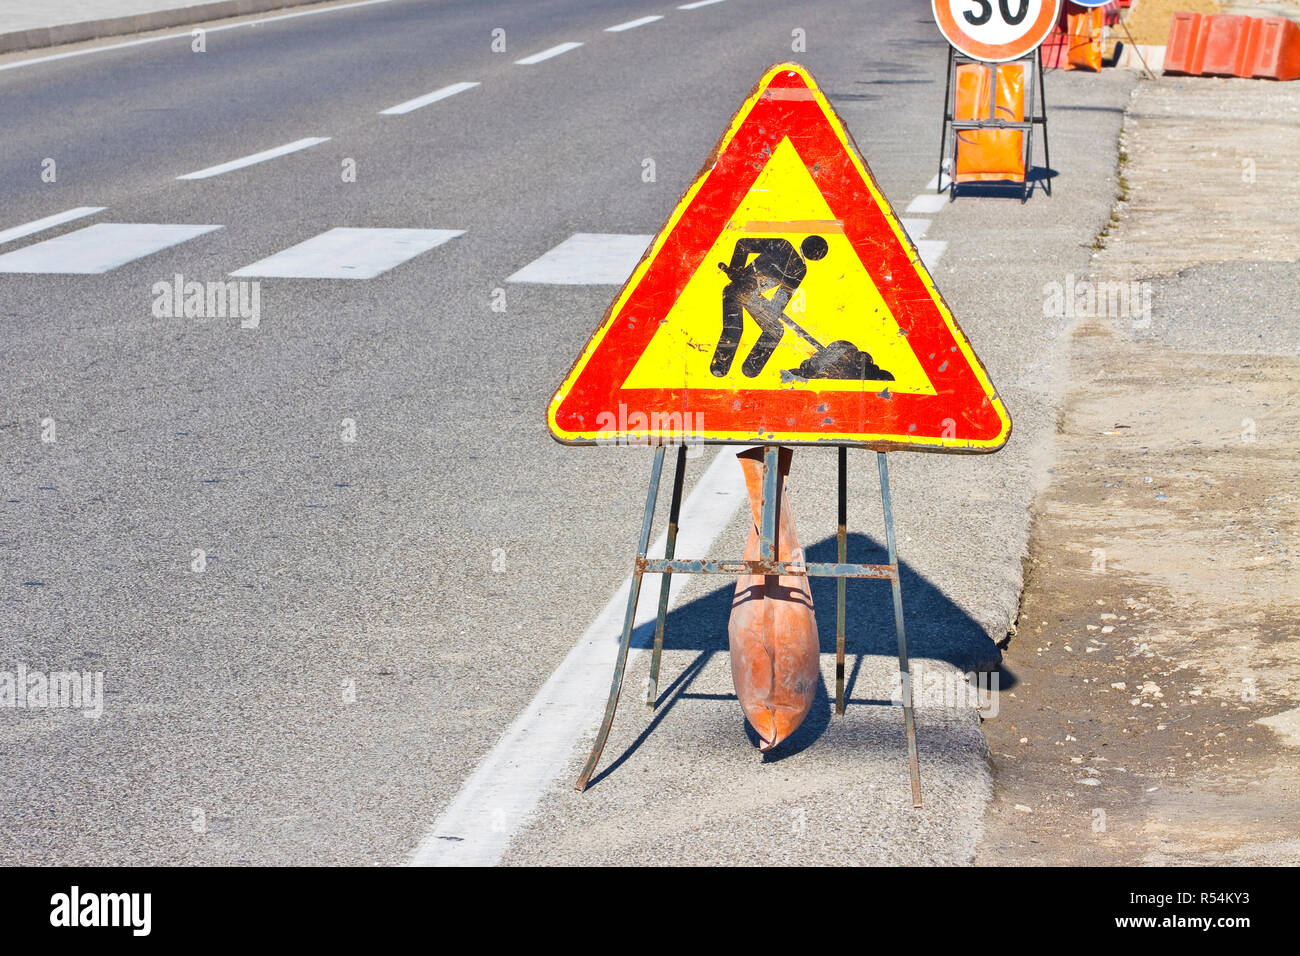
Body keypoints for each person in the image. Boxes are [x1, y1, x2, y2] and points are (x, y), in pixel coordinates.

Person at [712, 235, 828, 378]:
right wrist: (737, 269)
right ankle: (720, 367)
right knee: (736, 329)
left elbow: (781, 299)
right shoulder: (783, 247)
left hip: (750, 297)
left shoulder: (797, 264)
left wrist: (772, 310)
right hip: (735, 291)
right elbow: (744, 243)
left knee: (775, 330)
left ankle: (749, 369)